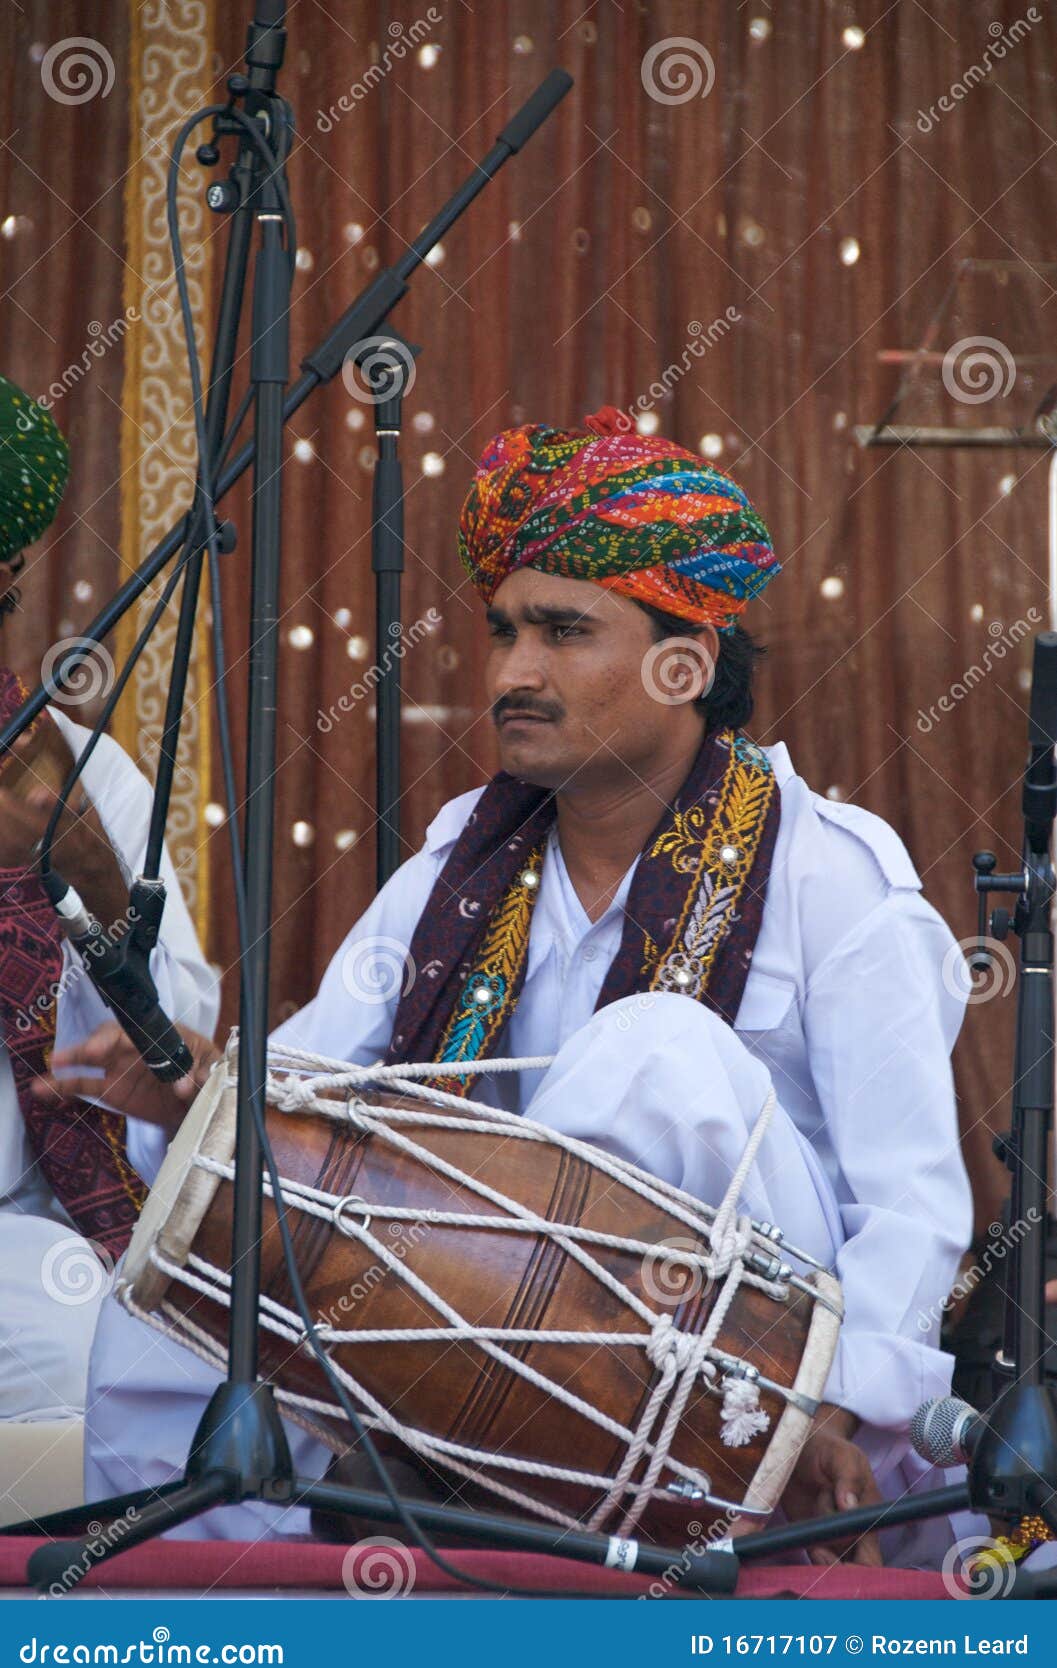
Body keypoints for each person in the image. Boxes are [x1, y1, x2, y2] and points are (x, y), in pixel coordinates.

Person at [43, 406, 972, 1564]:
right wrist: (193, 1102)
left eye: (563, 632)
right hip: (467, 1342)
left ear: (684, 662)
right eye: (502, 632)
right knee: (188, 1275)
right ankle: (222, 1607)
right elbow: (312, 1101)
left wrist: (828, 1410)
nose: (513, 672)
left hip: (753, 1387)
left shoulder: (830, 876)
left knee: (659, 1051)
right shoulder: (460, 868)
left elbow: (913, 1209)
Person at [0, 374, 219, 1424]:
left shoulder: (80, 774)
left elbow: (180, 1051)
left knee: (124, 1350)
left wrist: (83, 869)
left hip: (28, 1237)